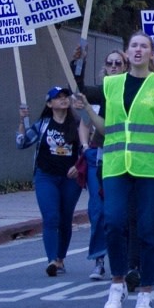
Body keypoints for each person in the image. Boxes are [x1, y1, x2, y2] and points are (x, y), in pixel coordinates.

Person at [73, 32, 154, 308]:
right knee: (114, 222)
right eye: (133, 45)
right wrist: (86, 109)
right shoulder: (112, 85)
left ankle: (146, 291)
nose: (138, 50)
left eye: (144, 46)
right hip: (115, 165)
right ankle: (117, 283)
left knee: (147, 230)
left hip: (150, 168)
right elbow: (106, 128)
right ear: (126, 52)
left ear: (152, 54)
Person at [17, 86, 88, 277]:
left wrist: (79, 166)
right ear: (50, 103)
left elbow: (85, 148)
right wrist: (22, 122)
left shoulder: (77, 123)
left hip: (70, 178)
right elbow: (21, 143)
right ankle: (51, 260)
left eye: (65, 97)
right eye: (58, 98)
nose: (63, 100)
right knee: (51, 217)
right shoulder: (42, 125)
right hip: (46, 176)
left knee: (65, 219)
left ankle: (61, 258)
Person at [75, 49, 128, 280]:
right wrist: (79, 63)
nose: (114, 66)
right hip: (102, 154)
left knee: (121, 212)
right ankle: (98, 259)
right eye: (110, 63)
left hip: (127, 155)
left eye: (118, 63)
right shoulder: (103, 90)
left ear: (126, 67)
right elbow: (82, 90)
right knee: (98, 211)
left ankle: (126, 259)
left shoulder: (133, 87)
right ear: (105, 67)